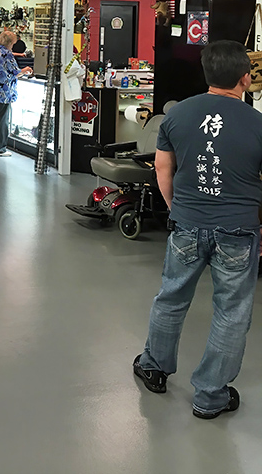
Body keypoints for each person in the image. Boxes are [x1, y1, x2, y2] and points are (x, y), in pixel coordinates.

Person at [133, 40, 262, 419]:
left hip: (188, 223)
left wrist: (176, 208)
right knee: (232, 311)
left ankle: (154, 367)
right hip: (238, 230)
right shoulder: (258, 124)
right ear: (245, 78)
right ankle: (209, 395)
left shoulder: (177, 115)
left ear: (207, 74)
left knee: (171, 297)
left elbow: (162, 168)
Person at [0, 30, 32, 157]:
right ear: (10, 43)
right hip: (3, 91)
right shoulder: (8, 55)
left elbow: (3, 56)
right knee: (2, 119)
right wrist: (26, 70)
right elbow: (16, 72)